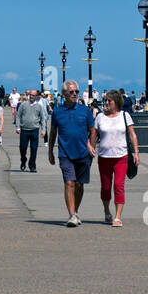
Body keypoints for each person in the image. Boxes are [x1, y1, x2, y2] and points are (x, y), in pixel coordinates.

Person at [47, 81, 96, 227]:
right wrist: (50, 151)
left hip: (83, 153)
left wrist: (91, 146)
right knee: (69, 182)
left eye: (76, 91)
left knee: (79, 185)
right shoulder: (57, 112)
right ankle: (72, 215)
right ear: (64, 95)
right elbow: (53, 132)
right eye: (71, 92)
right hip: (65, 153)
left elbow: (93, 130)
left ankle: (76, 211)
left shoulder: (85, 110)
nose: (74, 94)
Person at [95, 90, 139, 226]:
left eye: (110, 101)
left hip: (121, 156)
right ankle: (106, 211)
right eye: (106, 100)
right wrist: (89, 146)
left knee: (119, 186)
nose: (107, 103)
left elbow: (132, 134)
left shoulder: (125, 116)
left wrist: (136, 152)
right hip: (104, 156)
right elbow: (93, 134)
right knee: (106, 187)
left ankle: (118, 216)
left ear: (117, 102)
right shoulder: (100, 117)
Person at [15, 88, 45, 171]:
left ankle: (32, 166)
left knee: (34, 148)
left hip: (34, 130)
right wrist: (17, 127)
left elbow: (42, 119)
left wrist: (43, 130)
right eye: (30, 95)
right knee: (23, 148)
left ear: (36, 96)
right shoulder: (23, 104)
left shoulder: (39, 106)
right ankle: (23, 160)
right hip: (24, 130)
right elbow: (18, 116)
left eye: (33, 95)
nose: (31, 96)